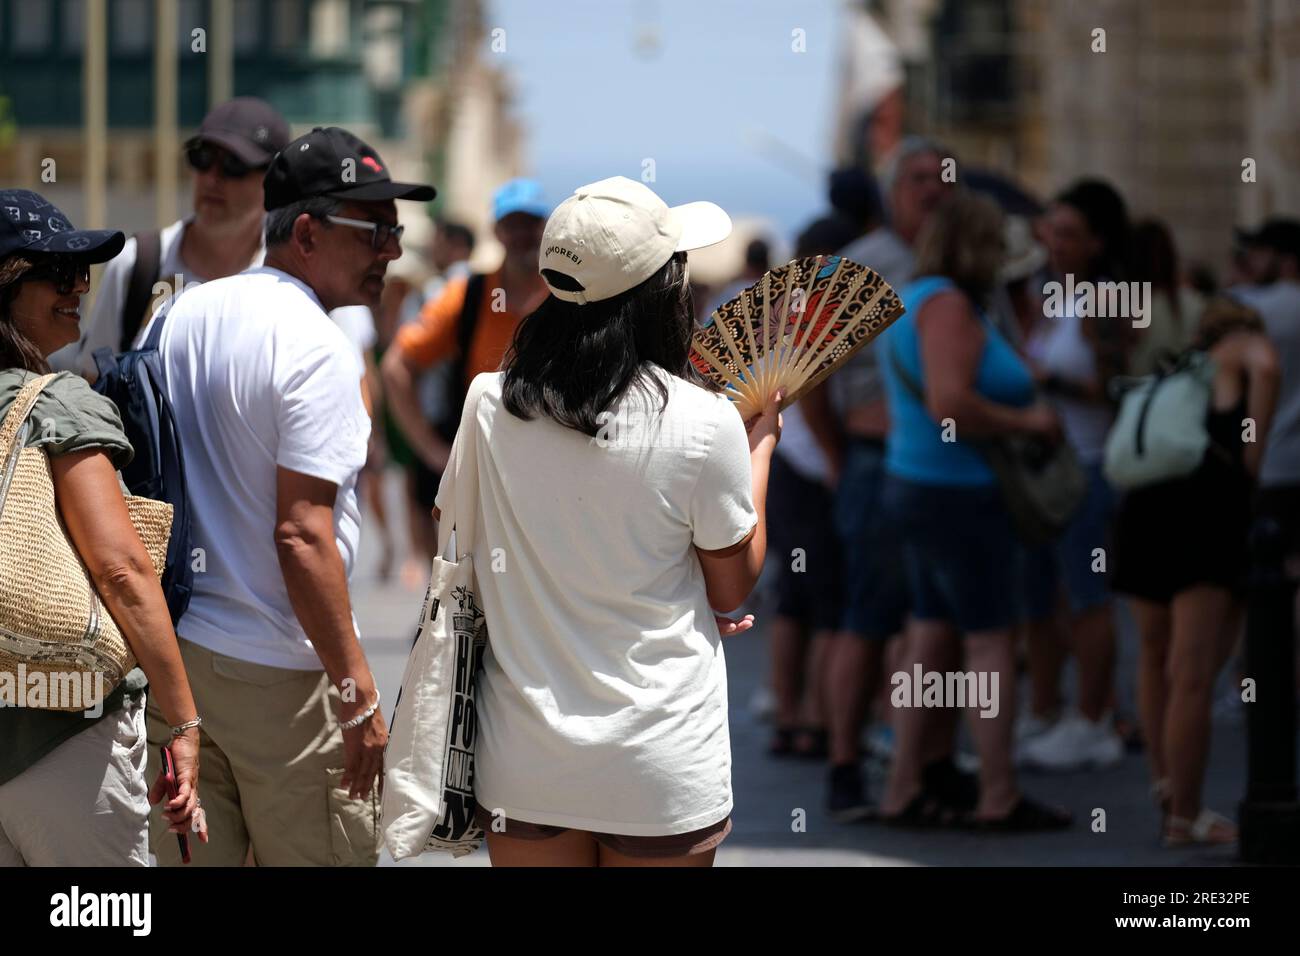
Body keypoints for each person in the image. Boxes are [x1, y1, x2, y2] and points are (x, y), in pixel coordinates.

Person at [433, 175, 780, 866]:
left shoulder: (488, 403)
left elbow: (455, 542)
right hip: (659, 758)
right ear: (661, 290)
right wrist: (761, 442)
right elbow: (732, 587)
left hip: (525, 756)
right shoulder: (705, 420)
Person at [144, 127, 435, 866]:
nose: (392, 251)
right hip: (286, 675)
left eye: (395, 231)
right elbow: (301, 536)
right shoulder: (318, 347)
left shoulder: (177, 317)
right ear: (307, 230)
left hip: (181, 663)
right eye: (375, 230)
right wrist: (358, 693)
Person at [0, 189, 205, 864]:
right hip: (65, 739)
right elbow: (121, 569)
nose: (78, 287)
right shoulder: (58, 403)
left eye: (83, 273)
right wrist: (184, 720)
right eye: (56, 273)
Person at [877, 191, 1070, 830]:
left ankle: (905, 785)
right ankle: (998, 794)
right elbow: (951, 404)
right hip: (958, 491)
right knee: (990, 642)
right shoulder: (951, 306)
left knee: (930, 634)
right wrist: (1031, 422)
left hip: (918, 484)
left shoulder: (912, 299)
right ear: (976, 245)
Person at [807, 139, 953, 820]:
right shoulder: (864, 267)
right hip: (877, 462)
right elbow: (807, 377)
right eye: (918, 178)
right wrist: (843, 460)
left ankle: (928, 765)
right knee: (866, 618)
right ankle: (844, 764)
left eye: (941, 178)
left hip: (954, 473)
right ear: (894, 192)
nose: (932, 189)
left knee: (942, 623)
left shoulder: (965, 268)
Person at [1112, 297, 1279, 846]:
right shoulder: (1248, 346)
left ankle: (1168, 790)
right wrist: (1251, 458)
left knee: (1154, 657)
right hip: (1205, 521)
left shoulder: (1178, 367)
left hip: (1142, 515)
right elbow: (1269, 371)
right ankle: (1185, 817)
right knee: (1192, 674)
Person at [1016, 179, 1132, 770]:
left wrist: (1044, 379)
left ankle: (1094, 721)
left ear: (1096, 242)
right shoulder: (1050, 295)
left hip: (1086, 466)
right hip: (1044, 469)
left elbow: (1114, 390)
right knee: (1040, 596)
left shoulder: (1107, 304)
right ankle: (1046, 710)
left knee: (1087, 597)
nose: (1053, 243)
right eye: (1050, 230)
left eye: (1067, 233)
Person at [52, 98, 290, 376]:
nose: (212, 178)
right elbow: (93, 380)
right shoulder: (137, 263)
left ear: (273, 181)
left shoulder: (286, 276)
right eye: (201, 158)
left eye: (234, 165)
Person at [381, 180, 550, 548]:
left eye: (531, 222)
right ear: (497, 230)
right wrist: (430, 449)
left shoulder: (568, 299)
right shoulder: (469, 295)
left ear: (547, 227)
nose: (522, 233)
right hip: (480, 477)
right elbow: (397, 367)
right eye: (513, 223)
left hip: (550, 479)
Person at [1233, 219, 1300, 563]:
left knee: (1265, 580)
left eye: (1260, 254)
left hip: (1268, 465)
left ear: (1287, 261)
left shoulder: (1249, 307)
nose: (1251, 262)